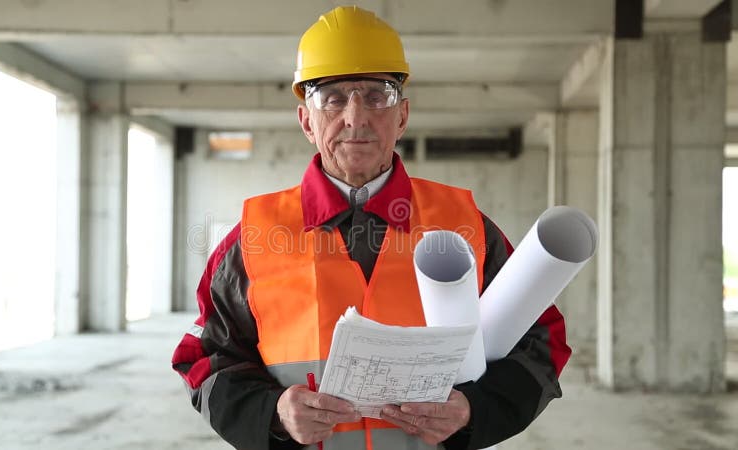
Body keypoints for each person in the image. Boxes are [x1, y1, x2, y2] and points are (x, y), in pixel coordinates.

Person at [172, 6, 571, 450]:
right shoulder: (255, 236)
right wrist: (274, 413)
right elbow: (203, 358)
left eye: (377, 95)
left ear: (402, 116)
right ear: (307, 120)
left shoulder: (466, 226)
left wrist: (475, 410)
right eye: (332, 97)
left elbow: (543, 339)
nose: (356, 117)